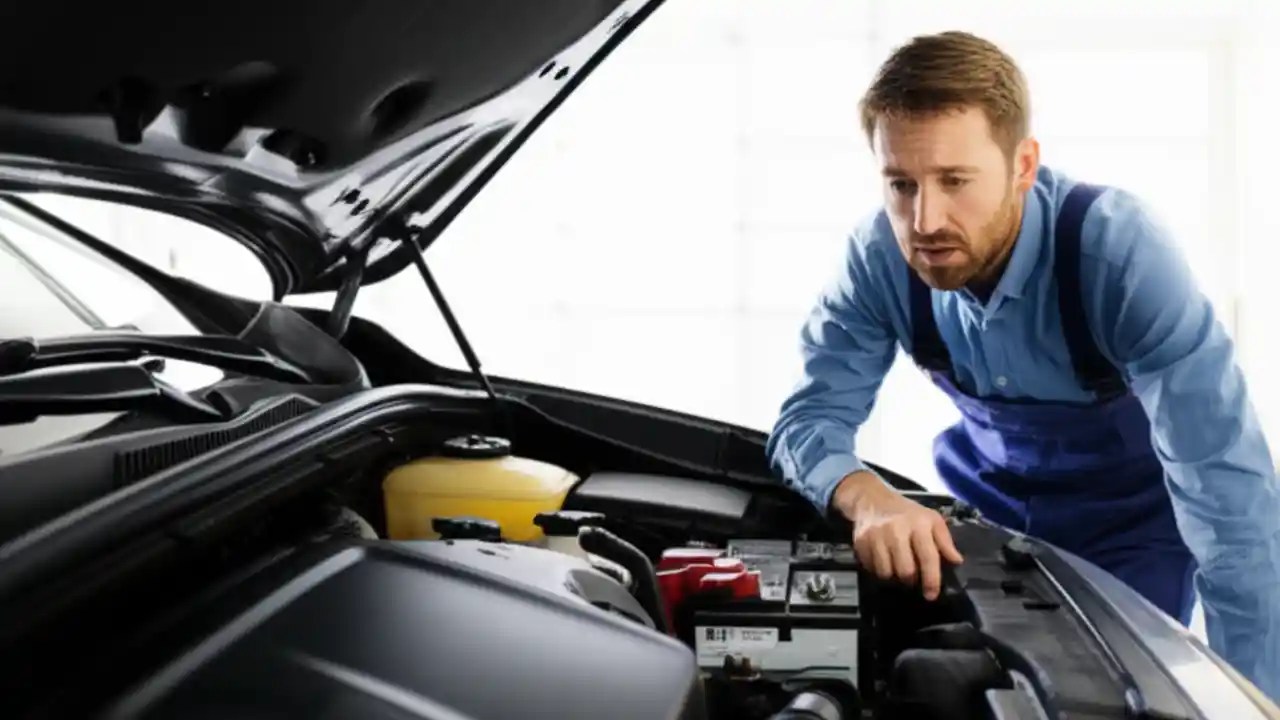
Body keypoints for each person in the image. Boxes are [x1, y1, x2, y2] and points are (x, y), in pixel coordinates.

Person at [766, 30, 1280, 699]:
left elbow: (1230, 504)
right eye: (901, 184)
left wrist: (1256, 695)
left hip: (1132, 531)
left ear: (1023, 165)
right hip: (988, 513)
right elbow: (807, 422)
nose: (924, 220)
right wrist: (870, 503)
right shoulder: (877, 257)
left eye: (955, 181)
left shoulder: (1119, 255)